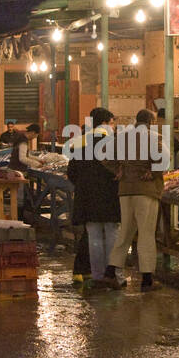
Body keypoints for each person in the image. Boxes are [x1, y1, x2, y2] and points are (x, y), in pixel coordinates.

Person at [102, 108, 165, 293]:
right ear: (151, 122)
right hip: (145, 191)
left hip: (125, 190)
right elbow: (162, 159)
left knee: (125, 233)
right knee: (146, 234)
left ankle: (110, 272)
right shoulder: (154, 137)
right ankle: (147, 280)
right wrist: (152, 171)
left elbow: (104, 153)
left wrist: (117, 169)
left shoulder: (122, 137)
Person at [69, 108, 122, 291]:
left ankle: (98, 275)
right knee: (113, 234)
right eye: (113, 122)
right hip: (110, 195)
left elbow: (72, 172)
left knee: (94, 237)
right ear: (107, 121)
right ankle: (113, 275)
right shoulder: (114, 140)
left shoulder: (79, 141)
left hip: (87, 197)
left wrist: (84, 186)